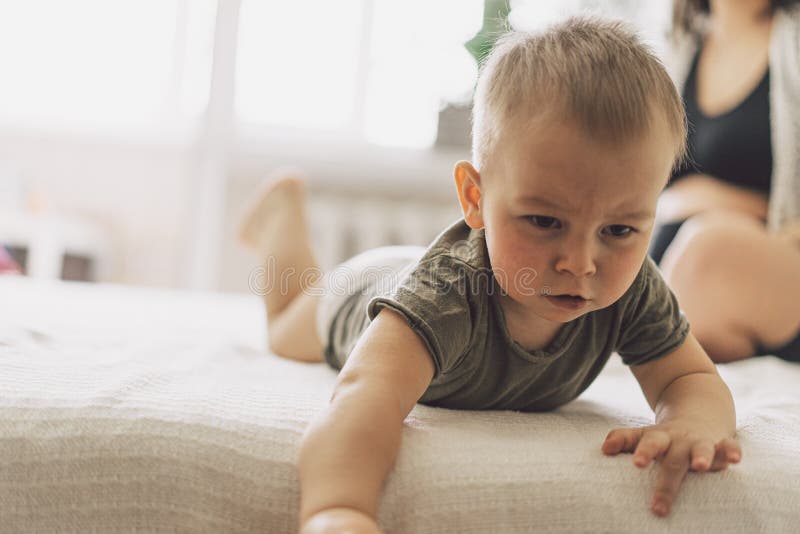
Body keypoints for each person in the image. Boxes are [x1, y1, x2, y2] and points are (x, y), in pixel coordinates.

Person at [239, 16, 741, 533]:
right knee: (286, 323)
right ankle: (281, 213)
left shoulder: (632, 290)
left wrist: (691, 420)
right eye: (545, 222)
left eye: (619, 229)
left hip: (440, 263)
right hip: (368, 289)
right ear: (475, 198)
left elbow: (692, 378)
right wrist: (338, 511)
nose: (581, 262)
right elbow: (363, 403)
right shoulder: (446, 299)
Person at [649, 0, 800, 362]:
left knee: (707, 253)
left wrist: (739, 208)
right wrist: (676, 203)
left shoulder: (793, 44)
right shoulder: (675, 52)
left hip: (776, 262)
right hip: (673, 268)